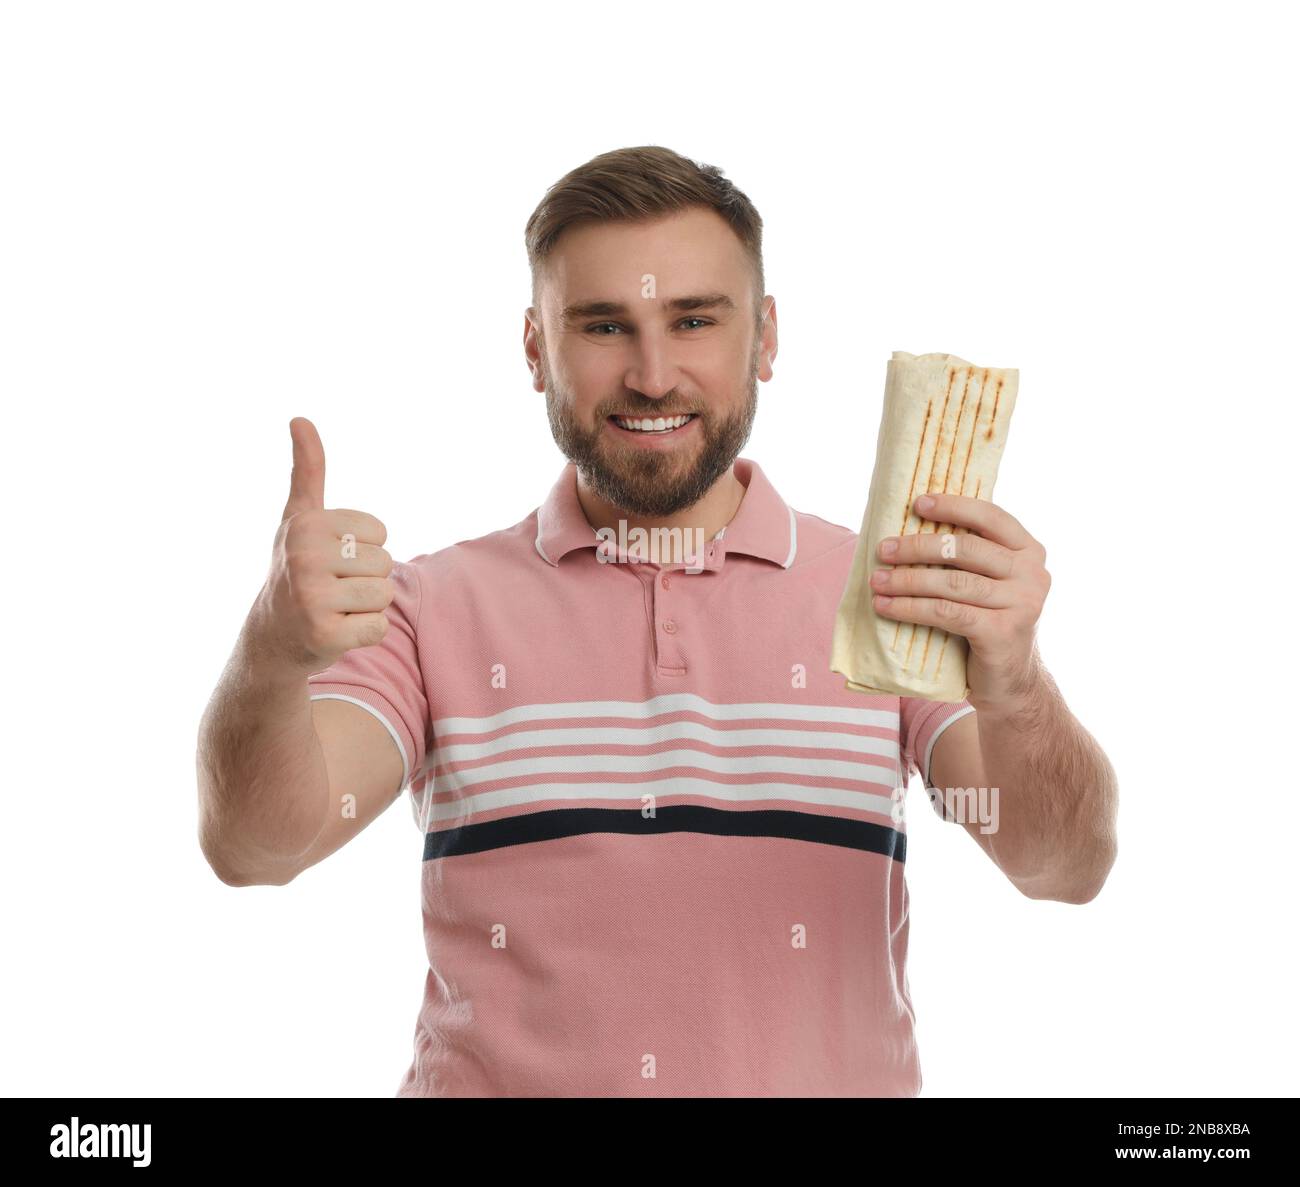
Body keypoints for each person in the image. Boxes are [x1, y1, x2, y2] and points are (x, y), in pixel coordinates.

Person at [196, 145, 1118, 1097]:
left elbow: (1063, 865)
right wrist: (271, 651)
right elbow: (257, 847)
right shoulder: (428, 606)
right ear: (534, 349)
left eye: (693, 321)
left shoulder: (888, 588)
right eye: (603, 325)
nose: (651, 374)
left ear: (764, 337)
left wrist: (1016, 687)